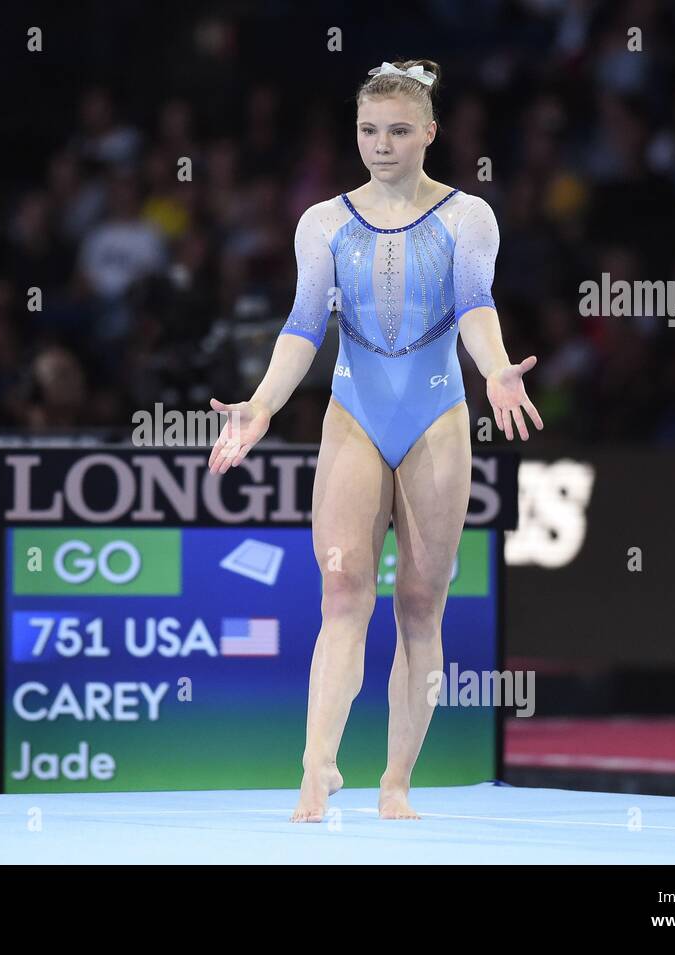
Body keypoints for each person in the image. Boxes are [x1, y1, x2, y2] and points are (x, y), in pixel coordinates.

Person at [207, 60, 542, 822]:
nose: (382, 145)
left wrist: (496, 372)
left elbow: (474, 304)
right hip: (354, 412)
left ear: (430, 132)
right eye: (368, 131)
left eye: (397, 131)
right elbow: (301, 325)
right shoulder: (323, 221)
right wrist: (260, 405)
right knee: (342, 587)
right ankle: (316, 765)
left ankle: (395, 780)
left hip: (437, 415)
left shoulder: (468, 217)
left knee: (421, 603)